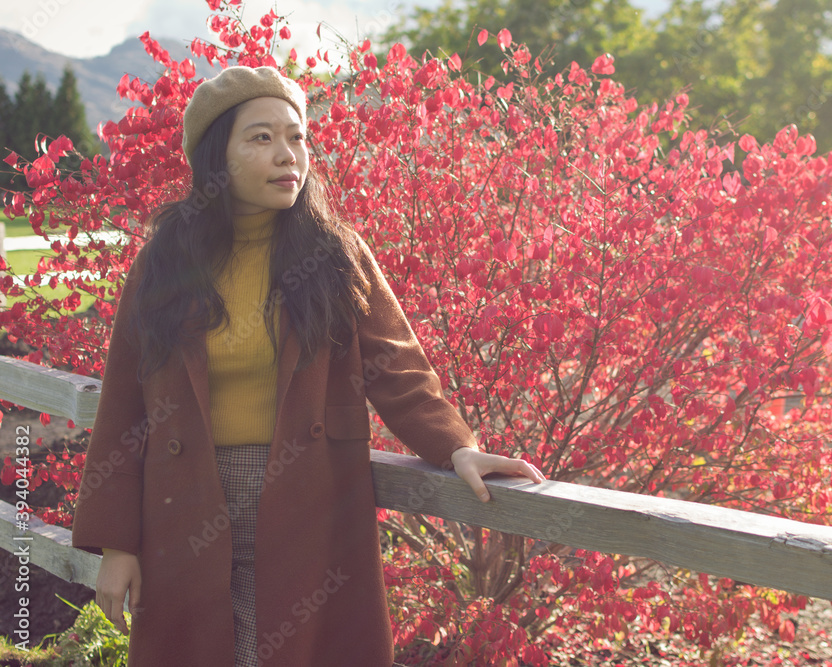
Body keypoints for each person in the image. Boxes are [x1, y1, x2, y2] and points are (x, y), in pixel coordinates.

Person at [71, 65, 545, 667]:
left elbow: (399, 369)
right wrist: (118, 544)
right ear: (217, 157)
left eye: (296, 137)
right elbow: (123, 410)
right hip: (187, 507)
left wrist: (457, 446)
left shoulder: (334, 254)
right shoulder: (163, 265)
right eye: (261, 138)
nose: (286, 154)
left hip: (308, 504)